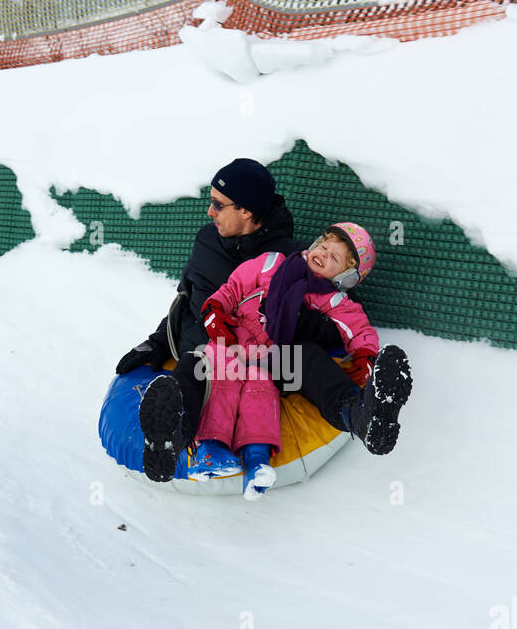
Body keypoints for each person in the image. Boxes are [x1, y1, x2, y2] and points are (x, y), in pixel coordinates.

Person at [115, 158, 411, 483]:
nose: (209, 212)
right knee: (192, 367)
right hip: (220, 351)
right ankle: (170, 435)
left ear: (246, 210)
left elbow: (353, 323)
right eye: (322, 246)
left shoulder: (295, 264)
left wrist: (362, 353)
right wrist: (158, 342)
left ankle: (361, 416)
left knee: (310, 361)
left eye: (217, 204)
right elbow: (192, 297)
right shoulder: (221, 247)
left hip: (270, 360)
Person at [194, 222, 386, 499]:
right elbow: (232, 288)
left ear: (345, 276)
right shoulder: (271, 263)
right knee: (210, 372)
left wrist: (366, 357)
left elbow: (359, 329)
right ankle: (196, 443)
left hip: (271, 360)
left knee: (284, 373)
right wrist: (214, 311)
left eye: (334, 258)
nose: (323, 254)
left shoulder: (329, 297)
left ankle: (353, 414)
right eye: (323, 246)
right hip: (231, 345)